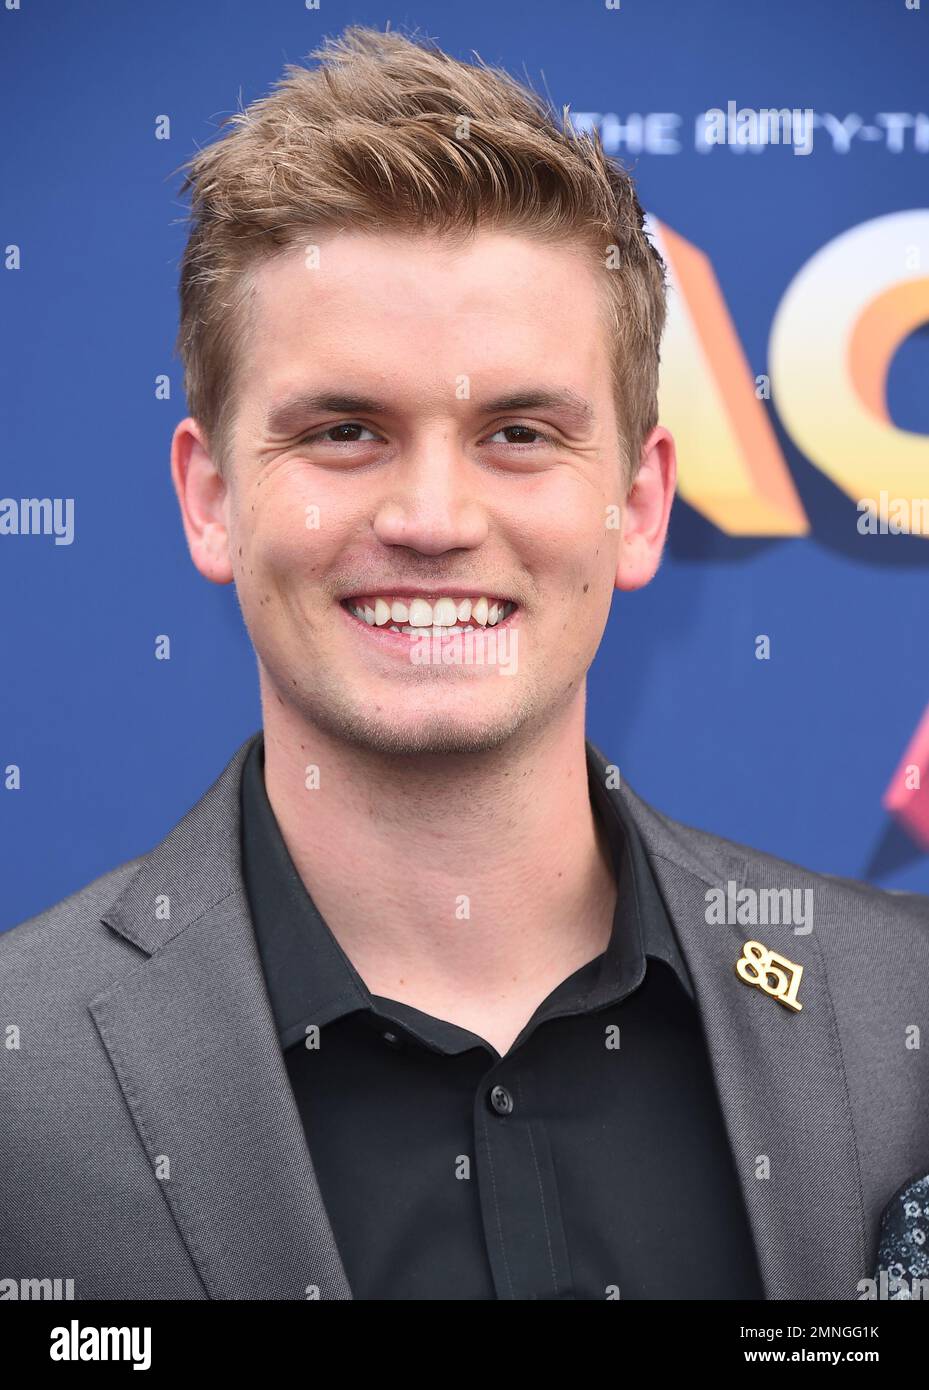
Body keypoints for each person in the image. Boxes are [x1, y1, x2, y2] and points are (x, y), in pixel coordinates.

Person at [2, 26, 928, 1303]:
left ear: (641, 504)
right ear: (210, 497)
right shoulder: (19, 1075)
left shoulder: (899, 1015)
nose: (431, 517)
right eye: (342, 430)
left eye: (517, 431)